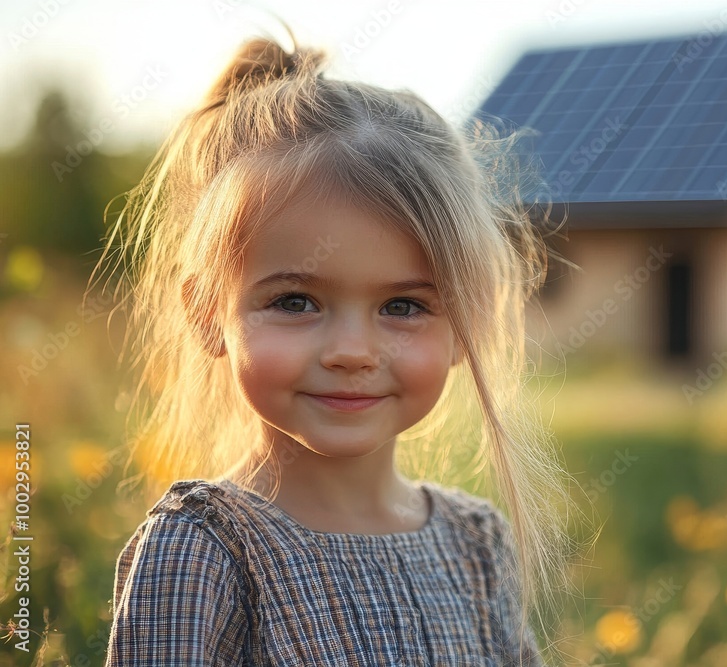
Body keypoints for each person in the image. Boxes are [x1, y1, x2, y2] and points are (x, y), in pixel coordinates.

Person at [96, 34, 577, 666]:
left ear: (467, 323)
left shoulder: (478, 545)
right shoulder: (207, 550)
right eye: (296, 301)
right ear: (208, 312)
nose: (352, 351)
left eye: (403, 306)